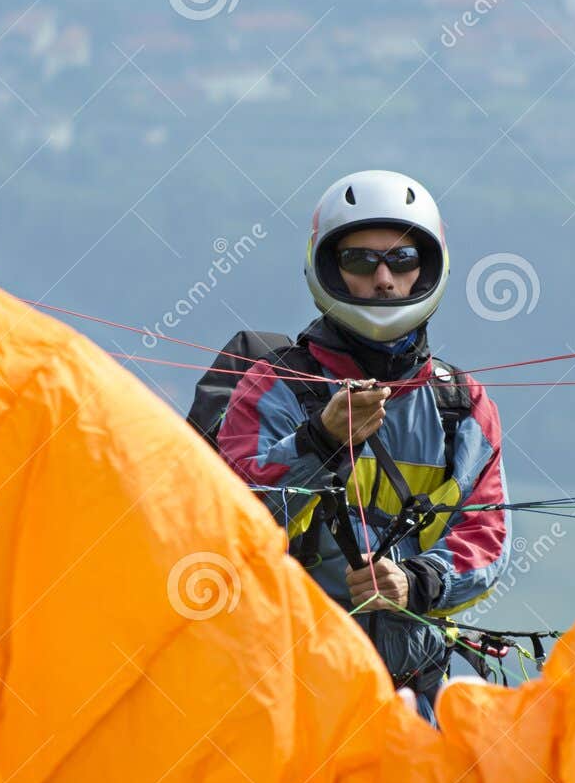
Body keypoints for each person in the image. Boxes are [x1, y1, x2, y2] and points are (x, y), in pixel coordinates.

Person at [216, 170, 511, 722]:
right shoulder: (272, 387)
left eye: (402, 260)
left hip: (411, 701)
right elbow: (231, 524)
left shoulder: (461, 405)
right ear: (330, 269)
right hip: (287, 700)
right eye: (360, 261)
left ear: (428, 267)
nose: (383, 279)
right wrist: (318, 441)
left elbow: (487, 537)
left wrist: (418, 581)